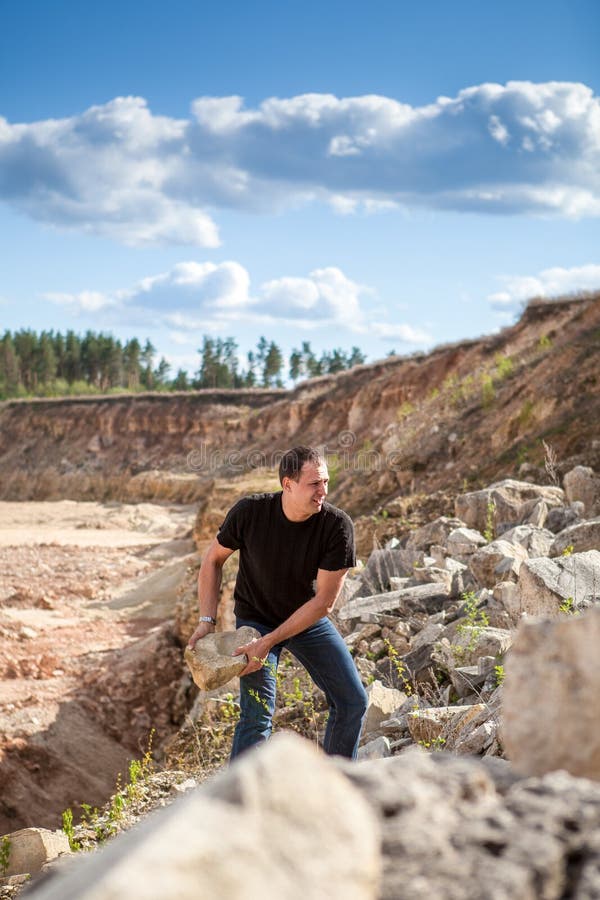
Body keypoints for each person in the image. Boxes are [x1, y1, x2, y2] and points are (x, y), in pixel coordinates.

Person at [187, 445, 368, 760]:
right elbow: (212, 560)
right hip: (255, 621)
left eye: (326, 481)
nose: (323, 490)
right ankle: (239, 803)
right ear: (288, 484)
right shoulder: (250, 512)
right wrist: (207, 621)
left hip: (306, 619)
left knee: (353, 701)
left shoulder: (337, 527)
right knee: (256, 716)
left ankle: (334, 787)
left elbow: (324, 602)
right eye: (314, 484)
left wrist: (270, 642)